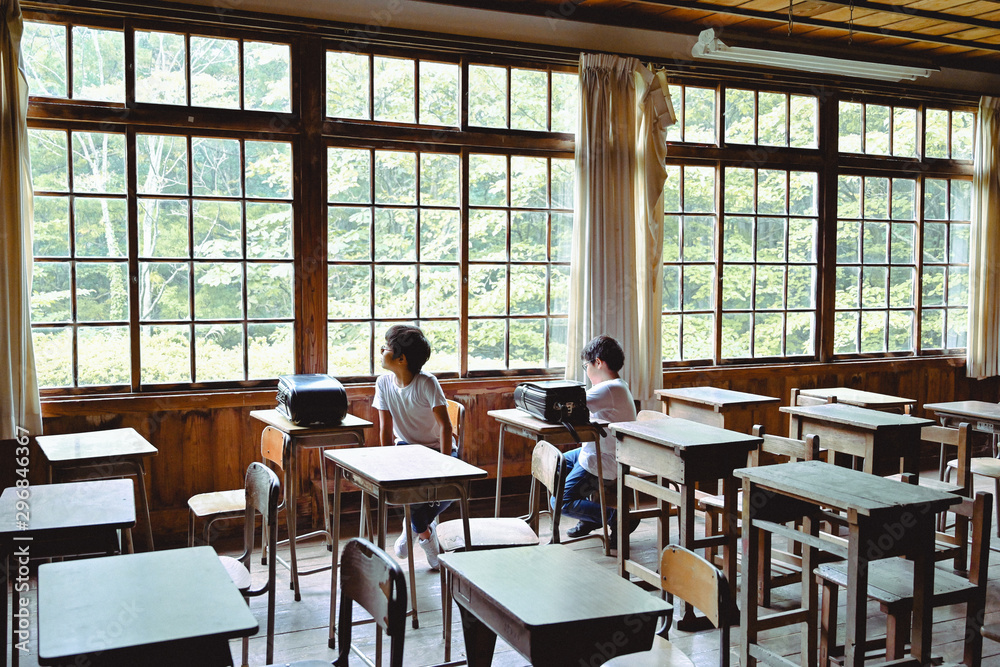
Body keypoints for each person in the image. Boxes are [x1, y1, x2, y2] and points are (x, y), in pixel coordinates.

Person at [372, 324, 453, 571]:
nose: (381, 350)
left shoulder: (427, 383)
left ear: (401, 358)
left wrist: (445, 464)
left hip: (437, 451)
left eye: (385, 347)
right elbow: (385, 429)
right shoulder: (384, 383)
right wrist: (387, 462)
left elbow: (446, 427)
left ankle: (418, 531)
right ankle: (423, 531)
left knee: (428, 498)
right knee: (413, 498)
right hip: (405, 451)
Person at [560, 334, 639, 541]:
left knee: (560, 502)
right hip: (599, 449)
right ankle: (590, 517)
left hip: (605, 458)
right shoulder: (615, 386)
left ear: (598, 362)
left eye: (586, 365)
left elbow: (573, 404)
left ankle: (619, 519)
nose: (586, 371)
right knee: (558, 463)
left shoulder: (609, 388)